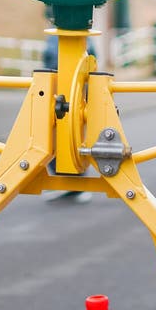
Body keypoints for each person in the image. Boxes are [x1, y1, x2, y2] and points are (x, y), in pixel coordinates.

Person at [43, 32, 95, 203]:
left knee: (64, 135)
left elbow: (52, 61)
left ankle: (73, 182)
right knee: (63, 136)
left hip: (65, 87)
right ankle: (70, 182)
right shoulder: (83, 38)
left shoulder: (57, 38)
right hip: (68, 87)